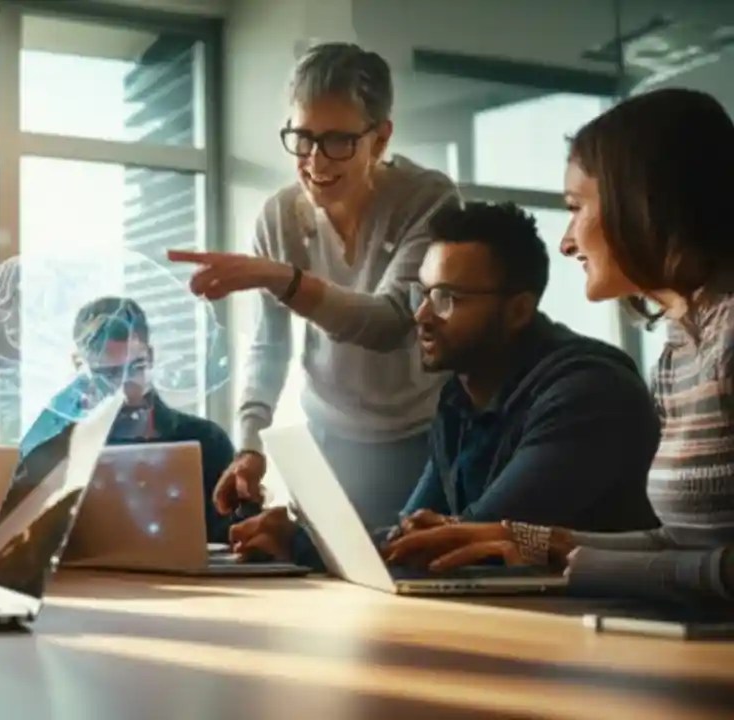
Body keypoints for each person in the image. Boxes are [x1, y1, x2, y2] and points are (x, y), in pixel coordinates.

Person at [385, 88, 734, 608]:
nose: (567, 242)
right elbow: (683, 544)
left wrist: (578, 564)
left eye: (575, 208)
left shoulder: (713, 347)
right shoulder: (679, 355)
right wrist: (527, 540)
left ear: (641, 204)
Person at [228, 202, 660, 563]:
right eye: (423, 293)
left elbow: (469, 539)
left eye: (447, 298)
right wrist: (301, 534)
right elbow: (410, 532)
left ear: (518, 311)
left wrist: (300, 542)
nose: (422, 315)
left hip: (601, 629)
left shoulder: (587, 393)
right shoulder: (458, 395)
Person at [169, 42, 459, 530]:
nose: (316, 162)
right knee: (317, 559)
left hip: (423, 434)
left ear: (380, 139)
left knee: (411, 557)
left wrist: (280, 278)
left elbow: (390, 321)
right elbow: (269, 347)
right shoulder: (279, 217)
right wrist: (250, 445)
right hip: (330, 436)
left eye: (338, 141)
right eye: (302, 138)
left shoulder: (427, 199)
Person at [17, 297, 238, 543]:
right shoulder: (55, 447)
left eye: (135, 368)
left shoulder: (208, 442)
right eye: (109, 374)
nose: (124, 389)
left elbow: (233, 536)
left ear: (150, 357)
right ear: (81, 367)